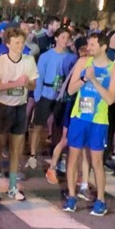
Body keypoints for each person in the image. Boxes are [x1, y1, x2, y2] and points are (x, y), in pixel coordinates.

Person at [65, 33, 115, 215]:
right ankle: (72, 196)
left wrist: (94, 80)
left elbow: (110, 99)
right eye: (88, 44)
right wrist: (83, 78)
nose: (88, 48)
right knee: (73, 158)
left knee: (97, 161)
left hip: (98, 121)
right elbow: (70, 89)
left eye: (92, 45)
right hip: (79, 117)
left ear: (103, 47)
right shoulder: (83, 63)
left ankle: (100, 200)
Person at [0, 27, 38, 201]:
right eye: (17, 42)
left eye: (22, 42)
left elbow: (33, 85)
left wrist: (27, 84)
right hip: (2, 107)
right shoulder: (0, 61)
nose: (20, 45)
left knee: (16, 149)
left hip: (20, 107)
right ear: (8, 44)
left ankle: (12, 186)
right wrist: (15, 83)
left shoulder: (29, 60)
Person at [32, 28, 75, 183]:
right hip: (46, 93)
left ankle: (57, 156)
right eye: (62, 37)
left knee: (59, 128)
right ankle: (32, 154)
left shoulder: (72, 57)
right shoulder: (45, 56)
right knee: (38, 125)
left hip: (62, 97)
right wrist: (37, 95)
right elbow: (40, 76)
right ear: (56, 38)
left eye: (67, 38)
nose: (65, 40)